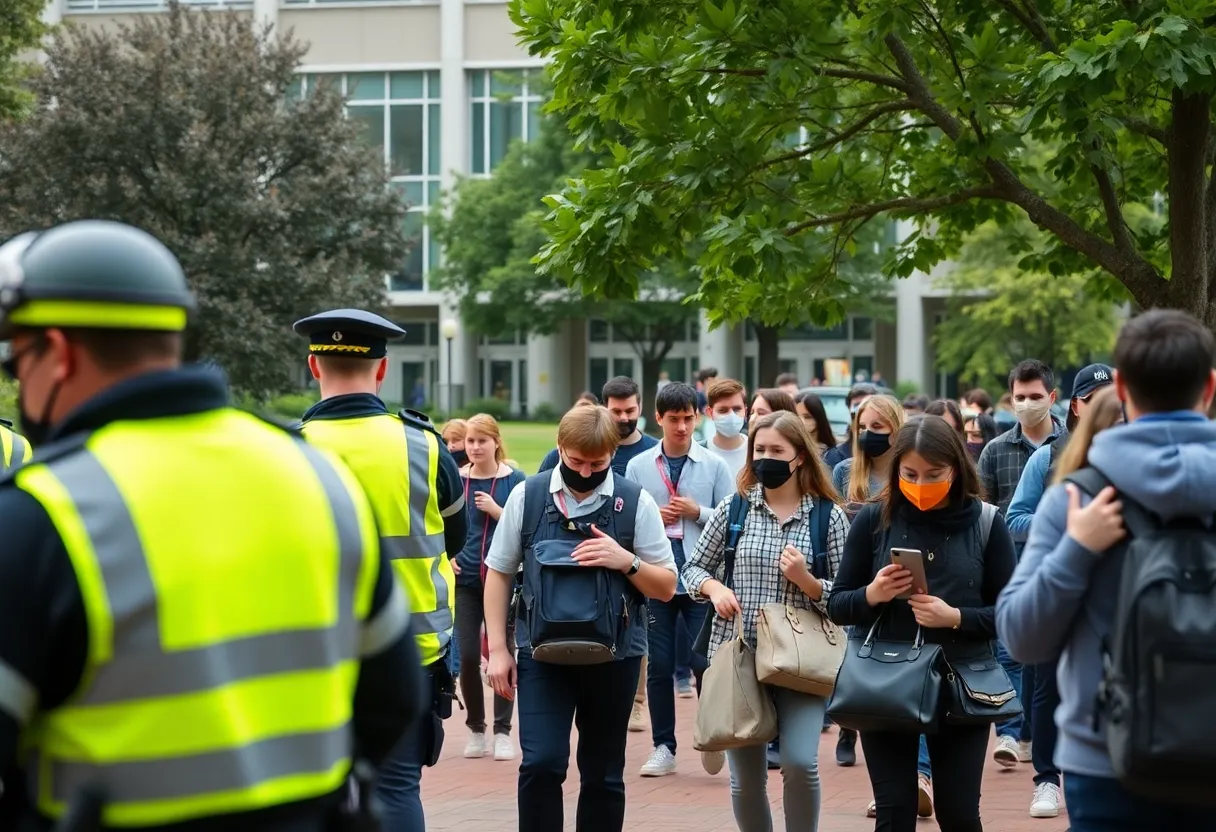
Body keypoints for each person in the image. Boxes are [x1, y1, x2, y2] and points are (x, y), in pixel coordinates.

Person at [0, 221, 424, 831]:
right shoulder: (318, 477)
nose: (17, 383)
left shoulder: (41, 514)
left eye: (18, 360)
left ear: (59, 353)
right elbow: (394, 697)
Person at [997, 309, 1216, 832]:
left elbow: (1021, 638)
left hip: (1105, 757)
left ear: (1120, 389)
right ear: (1209, 387)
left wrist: (1077, 549)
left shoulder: (1076, 498)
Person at [294, 308, 468, 832]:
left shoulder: (287, 450)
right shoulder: (425, 445)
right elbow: (455, 539)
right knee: (396, 788)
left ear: (313, 365)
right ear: (383, 369)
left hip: (314, 651)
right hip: (410, 647)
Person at [484, 405, 678, 832]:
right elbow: (498, 572)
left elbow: (666, 585)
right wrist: (498, 649)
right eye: (576, 461)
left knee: (603, 773)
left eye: (597, 463)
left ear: (613, 454)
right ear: (559, 448)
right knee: (541, 763)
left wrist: (626, 560)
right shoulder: (528, 496)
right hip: (541, 654)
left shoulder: (635, 502)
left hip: (616, 656)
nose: (586, 472)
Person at [829, 415, 1018, 832]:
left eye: (935, 474)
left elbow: (1012, 613)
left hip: (962, 681)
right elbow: (838, 605)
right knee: (894, 811)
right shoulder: (874, 519)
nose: (921, 484)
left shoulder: (987, 522)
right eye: (910, 474)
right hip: (885, 680)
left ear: (957, 469)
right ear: (896, 469)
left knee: (959, 814)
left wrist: (957, 617)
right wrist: (872, 593)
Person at [683, 411, 850, 832]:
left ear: (800, 457)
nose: (766, 458)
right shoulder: (734, 509)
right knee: (746, 778)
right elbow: (693, 568)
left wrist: (808, 582)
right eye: (759, 450)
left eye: (777, 450)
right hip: (740, 656)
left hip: (803, 660)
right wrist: (714, 589)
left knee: (800, 762)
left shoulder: (827, 517)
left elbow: (848, 598)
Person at [627, 382, 734, 777]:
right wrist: (652, 515)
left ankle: (711, 734)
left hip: (700, 577)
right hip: (657, 577)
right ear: (658, 418)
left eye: (688, 418)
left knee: (703, 662)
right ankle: (663, 746)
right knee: (658, 665)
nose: (682, 427)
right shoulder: (639, 466)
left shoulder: (713, 465)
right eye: (674, 419)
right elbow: (630, 519)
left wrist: (696, 512)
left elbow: (730, 519)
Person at [976, 359, 1066, 769]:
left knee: (1044, 657)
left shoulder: (1071, 447)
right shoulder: (996, 450)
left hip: (1056, 569)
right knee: (1011, 652)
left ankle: (1031, 731)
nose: (1027, 404)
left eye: (1035, 396)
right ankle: (1013, 733)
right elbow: (982, 510)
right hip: (1008, 566)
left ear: (1052, 397)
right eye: (1020, 397)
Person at [454, 414, 526, 763]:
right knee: (468, 655)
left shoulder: (515, 481)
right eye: (470, 441)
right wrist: (447, 555)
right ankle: (476, 728)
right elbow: (438, 522)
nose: (475, 447)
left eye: (482, 440)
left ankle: (502, 731)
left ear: (496, 442)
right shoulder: (456, 479)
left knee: (504, 653)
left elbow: (523, 526)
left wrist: (497, 510)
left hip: (502, 579)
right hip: (465, 580)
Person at [539, 376, 657, 476]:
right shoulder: (564, 455)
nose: (624, 418)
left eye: (630, 411)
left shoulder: (656, 453)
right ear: (603, 409)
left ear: (640, 408)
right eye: (616, 412)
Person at [823, 383, 879, 469]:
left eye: (868, 404)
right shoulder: (836, 456)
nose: (862, 408)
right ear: (849, 408)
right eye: (857, 405)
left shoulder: (888, 450)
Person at [702, 378, 750, 475]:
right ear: (710, 413)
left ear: (745, 412)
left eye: (737, 409)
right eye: (723, 410)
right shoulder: (698, 453)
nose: (731, 416)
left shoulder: (756, 451)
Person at [795, 391, 838, 457]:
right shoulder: (790, 448)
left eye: (807, 417)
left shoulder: (832, 453)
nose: (801, 421)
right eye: (796, 416)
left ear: (818, 417)